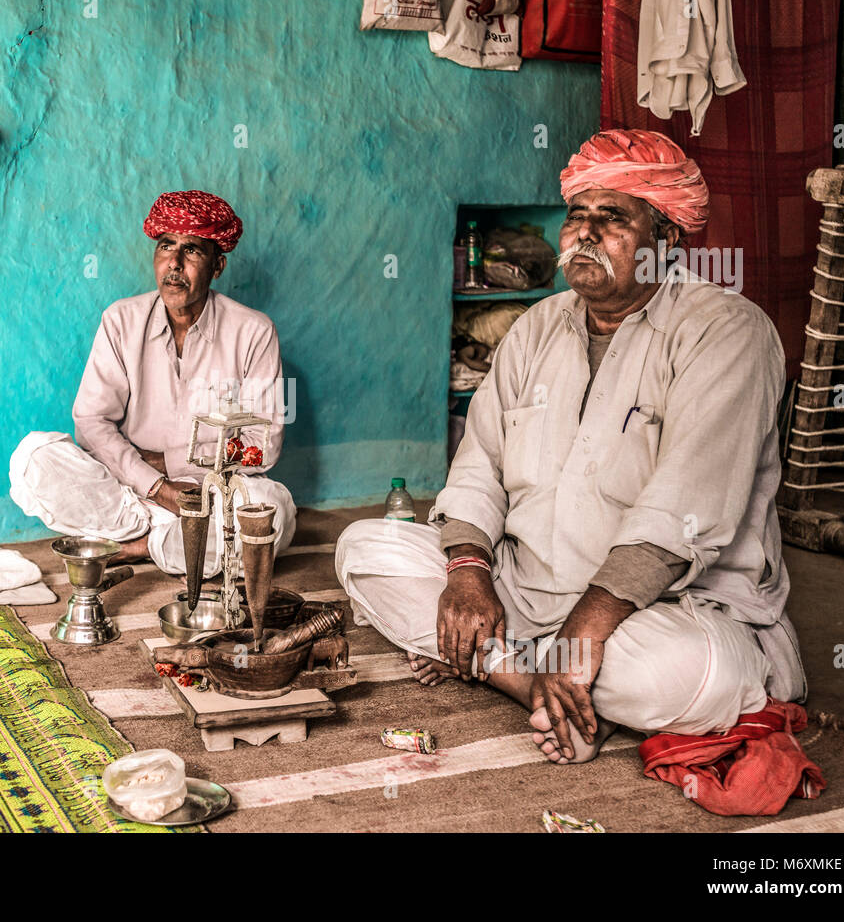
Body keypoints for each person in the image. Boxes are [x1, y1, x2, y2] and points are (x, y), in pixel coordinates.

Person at [335, 129, 804, 764]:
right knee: (366, 549)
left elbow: (682, 510)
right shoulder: (535, 327)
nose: (582, 234)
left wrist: (584, 634)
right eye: (575, 216)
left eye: (611, 219)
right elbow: (477, 468)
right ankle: (540, 689)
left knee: (682, 673)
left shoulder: (725, 332)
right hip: (520, 593)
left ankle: (531, 673)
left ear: (667, 242)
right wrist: (469, 574)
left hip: (654, 613)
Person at [10, 190, 295, 576]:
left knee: (274, 513)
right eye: (166, 247)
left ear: (218, 265)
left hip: (211, 497)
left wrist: (172, 462)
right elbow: (91, 423)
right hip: (130, 494)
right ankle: (172, 542)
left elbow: (263, 447)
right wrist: (158, 486)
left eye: (192, 251)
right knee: (34, 457)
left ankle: (142, 548)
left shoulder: (255, 332)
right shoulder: (121, 320)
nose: (174, 264)